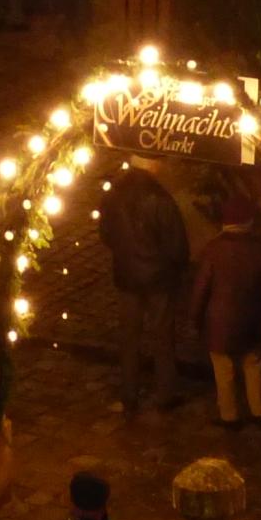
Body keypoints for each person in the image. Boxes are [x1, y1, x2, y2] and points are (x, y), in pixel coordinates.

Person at [100, 164, 190, 416]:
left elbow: (105, 234)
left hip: (127, 277)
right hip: (160, 279)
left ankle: (129, 393)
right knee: (163, 336)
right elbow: (177, 246)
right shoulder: (161, 199)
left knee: (129, 337)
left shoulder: (113, 196)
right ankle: (165, 393)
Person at [187, 195, 261, 429]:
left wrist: (194, 317)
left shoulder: (213, 250)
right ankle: (259, 412)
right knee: (253, 365)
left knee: (223, 370)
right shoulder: (260, 250)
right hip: (250, 320)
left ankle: (229, 416)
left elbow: (201, 288)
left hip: (219, 322)